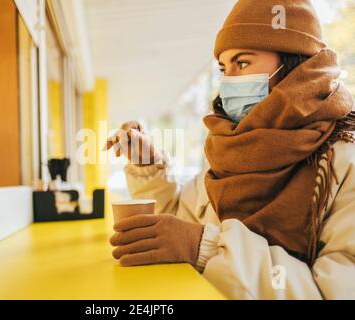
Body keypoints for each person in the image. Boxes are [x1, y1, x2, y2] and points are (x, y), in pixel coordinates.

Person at [105, 0, 355, 299]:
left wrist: (206, 248)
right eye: (224, 67)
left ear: (294, 64)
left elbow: (332, 292)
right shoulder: (232, 148)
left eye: (244, 62)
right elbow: (178, 221)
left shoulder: (343, 161)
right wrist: (148, 164)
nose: (228, 81)